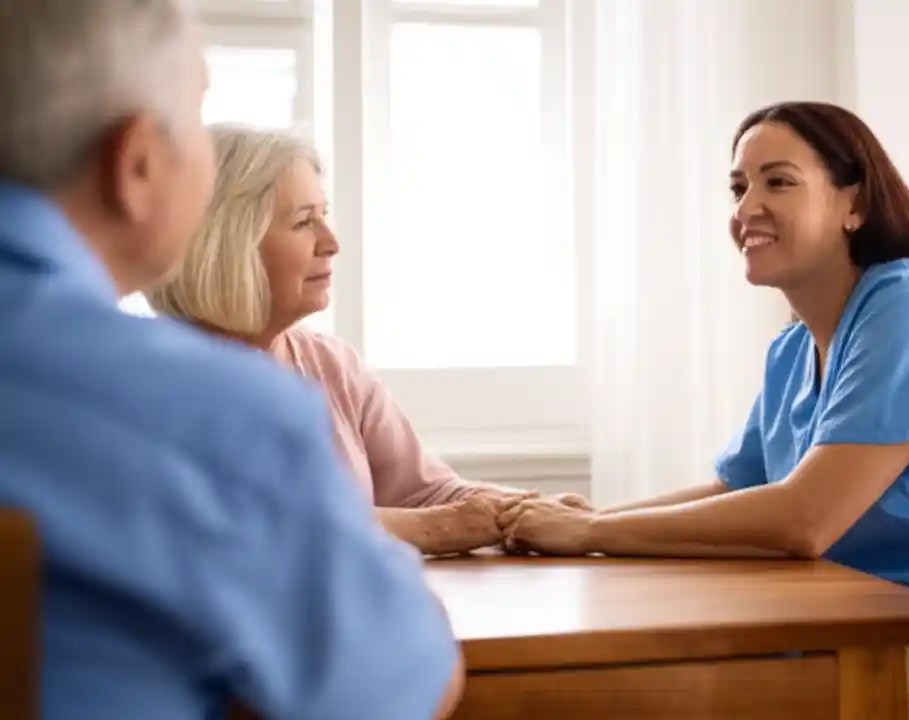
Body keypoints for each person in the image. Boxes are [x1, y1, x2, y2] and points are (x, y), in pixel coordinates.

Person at [500, 101, 909, 718]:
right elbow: (737, 491)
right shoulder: (793, 350)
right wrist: (592, 519)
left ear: (855, 203)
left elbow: (802, 519)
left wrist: (590, 537)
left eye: (778, 182)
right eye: (738, 188)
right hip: (899, 641)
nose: (747, 208)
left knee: (700, 696)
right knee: (682, 677)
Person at [0, 1, 462, 717]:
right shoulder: (209, 417)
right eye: (198, 118)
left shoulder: (311, 370)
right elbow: (397, 688)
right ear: (137, 162)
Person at [145, 124, 585, 555]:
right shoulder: (152, 380)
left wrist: (530, 511)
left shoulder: (330, 363)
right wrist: (438, 528)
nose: (331, 242)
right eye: (303, 222)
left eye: (324, 215)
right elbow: (264, 522)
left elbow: (423, 493)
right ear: (229, 244)